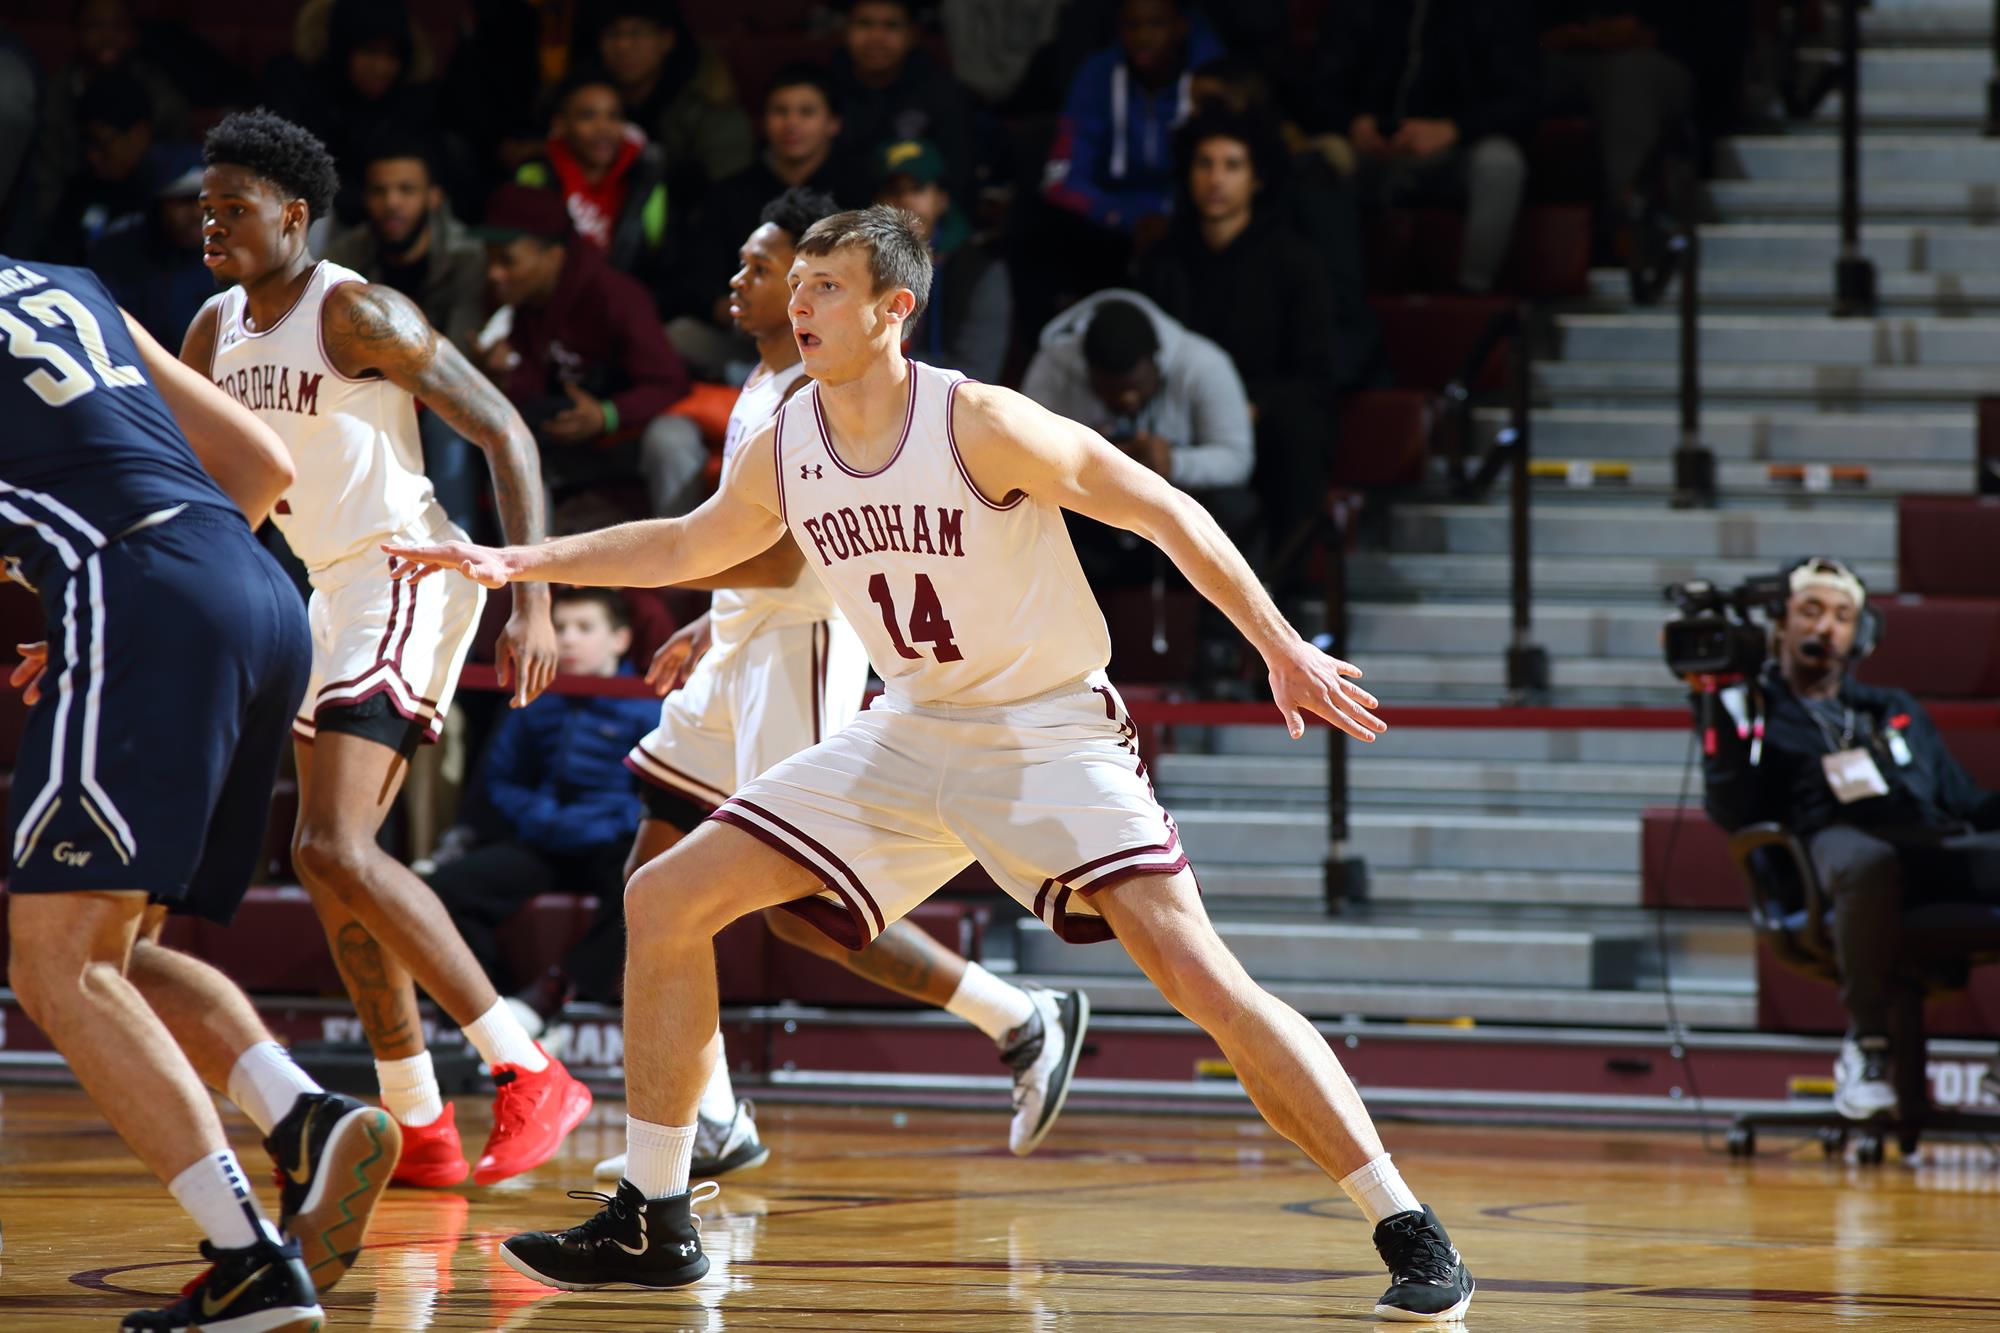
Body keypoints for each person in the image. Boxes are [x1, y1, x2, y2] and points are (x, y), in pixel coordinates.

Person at [387, 205, 1476, 1322]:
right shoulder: (790, 433)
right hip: (909, 727)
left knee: (1201, 979)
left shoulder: (981, 421)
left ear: (892, 308)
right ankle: (656, 1215)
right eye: (795, 285)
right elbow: (689, 543)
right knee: (665, 896)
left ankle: (1403, 1220)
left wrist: (1279, 645)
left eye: (823, 289)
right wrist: (518, 559)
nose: (797, 306)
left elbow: (1165, 509)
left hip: (1047, 730)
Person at [589, 187, 1085, 1186]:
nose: (746, 282)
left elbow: (777, 569)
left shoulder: (822, 397)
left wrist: (668, 576)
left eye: (769, 270)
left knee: (800, 906)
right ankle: (714, 1113)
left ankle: (1019, 1015)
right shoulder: (760, 384)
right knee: (655, 863)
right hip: (736, 644)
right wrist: (702, 616)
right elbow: (764, 554)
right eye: (759, 268)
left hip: (801, 650)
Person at [183, 109, 592, 1190]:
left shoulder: (358, 311)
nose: (212, 223)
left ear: (295, 214)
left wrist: (530, 596)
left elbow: (503, 427)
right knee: (323, 860)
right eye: (205, 206)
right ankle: (415, 1111)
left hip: (412, 574)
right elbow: (194, 491)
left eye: (235, 207)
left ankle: (527, 1065)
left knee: (335, 846)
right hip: (325, 590)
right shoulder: (211, 329)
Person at [1, 257, 402, 1330]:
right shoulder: (62, 282)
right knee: (110, 949)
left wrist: (118, 601)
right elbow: (261, 463)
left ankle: (246, 1262)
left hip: (142, 599)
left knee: (56, 964)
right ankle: (300, 1117)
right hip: (258, 591)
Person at [1692, 558, 2000, 1121]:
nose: (1826, 627)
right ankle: (1868, 1046)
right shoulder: (1757, 709)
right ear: (1780, 625)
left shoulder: (1891, 709)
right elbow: (1731, 808)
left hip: (1928, 846)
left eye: (1841, 616)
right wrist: (1713, 702)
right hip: (1826, 849)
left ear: (1861, 633)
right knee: (1867, 861)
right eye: (1810, 611)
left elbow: (1966, 802)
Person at [429, 586, 658, 1009]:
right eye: (561, 628)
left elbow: (654, 798)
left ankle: (556, 995)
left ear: (620, 639)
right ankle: (492, 1009)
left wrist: (599, 824)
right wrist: (545, 819)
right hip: (542, 841)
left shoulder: (650, 707)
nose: (568, 639)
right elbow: (502, 780)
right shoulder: (534, 699)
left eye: (584, 628)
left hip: (611, 843)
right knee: (444, 889)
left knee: (650, 887)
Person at [1140, 109, 1347, 574]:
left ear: (1256, 178)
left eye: (1232, 165)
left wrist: (1246, 406)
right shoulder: (1166, 258)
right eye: (1205, 164)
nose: (1216, 179)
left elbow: (1315, 371)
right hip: (1182, 410)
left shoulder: (1294, 260)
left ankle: (1288, 591)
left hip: (1267, 410)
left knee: (1299, 434)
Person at [475, 183, 705, 519]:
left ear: (554, 257)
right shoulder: (519, 304)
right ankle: (525, 568)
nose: (494, 273)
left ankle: (686, 565)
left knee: (672, 439)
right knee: (504, 444)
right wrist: (502, 376)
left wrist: (606, 414)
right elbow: (535, 396)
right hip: (567, 446)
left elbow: (670, 382)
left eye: (507, 260)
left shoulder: (613, 295)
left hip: (629, 434)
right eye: (491, 259)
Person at [1020, 290, 1259, 580]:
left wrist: (1173, 463)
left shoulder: (1203, 365)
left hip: (1180, 509)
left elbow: (1236, 458)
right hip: (1090, 507)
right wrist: (1084, 457)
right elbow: (1024, 451)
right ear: (1088, 372)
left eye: (1137, 386)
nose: (1127, 400)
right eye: (1112, 390)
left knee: (1236, 508)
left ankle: (1222, 625)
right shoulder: (1054, 367)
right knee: (1033, 509)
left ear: (1158, 360)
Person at [323, 134, 490, 531]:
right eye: (380, 190)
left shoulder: (465, 256)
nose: (392, 202)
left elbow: (460, 354)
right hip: (368, 386)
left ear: (434, 197)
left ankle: (461, 550)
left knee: (448, 424)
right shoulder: (346, 257)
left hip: (439, 387)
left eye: (406, 190)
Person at [1316, 0, 1539, 294]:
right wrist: (1352, 123)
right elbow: (1315, 88)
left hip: (1457, 149)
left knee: (1500, 162)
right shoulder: (1358, 8)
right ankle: (1337, 297)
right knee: (1322, 159)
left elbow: (1524, 100)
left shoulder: (1494, 9)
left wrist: (1454, 128)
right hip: (1370, 150)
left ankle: (1472, 292)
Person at [668, 64, 860, 377]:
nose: (792, 123)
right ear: (762, 122)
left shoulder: (857, 194)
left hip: (832, 338)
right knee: (679, 336)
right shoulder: (729, 193)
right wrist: (748, 314)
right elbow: (697, 281)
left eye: (806, 112)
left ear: (833, 123)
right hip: (744, 335)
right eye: (780, 111)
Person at [1041, 0, 1223, 248]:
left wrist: (1175, 220)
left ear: (1181, 26)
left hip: (1191, 223)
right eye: (1132, 25)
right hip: (1109, 223)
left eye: (1156, 24)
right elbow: (1060, 179)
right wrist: (1124, 217)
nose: (1143, 37)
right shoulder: (1097, 74)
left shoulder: (1210, 79)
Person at [514, 69, 670, 287]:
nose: (603, 128)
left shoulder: (646, 180)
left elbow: (658, 261)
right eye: (588, 116)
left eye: (613, 116)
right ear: (560, 125)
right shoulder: (534, 178)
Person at [876, 138, 1010, 385]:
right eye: (895, 191)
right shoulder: (862, 269)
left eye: (917, 189)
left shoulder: (979, 272)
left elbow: (977, 373)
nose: (905, 201)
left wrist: (878, 365)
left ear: (941, 199)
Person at [593, 0, 754, 201]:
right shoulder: (584, 97)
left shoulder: (705, 104)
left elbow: (732, 190)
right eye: (613, 34)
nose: (623, 45)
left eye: (636, 33)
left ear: (666, 40)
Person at [831, 0, 977, 207]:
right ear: (846, 30)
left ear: (911, 35)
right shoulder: (825, 89)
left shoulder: (941, 93)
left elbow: (958, 177)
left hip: (919, 223)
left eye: (891, 26)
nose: (876, 37)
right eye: (865, 24)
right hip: (841, 219)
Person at [90, 148, 211, 350]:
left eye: (203, 201)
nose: (198, 213)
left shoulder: (226, 253)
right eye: (184, 201)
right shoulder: (119, 252)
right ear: (156, 204)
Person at [43, 69, 159, 263]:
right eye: (87, 144)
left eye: (101, 144)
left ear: (139, 135)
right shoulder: (81, 191)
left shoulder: (166, 195)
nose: (92, 156)